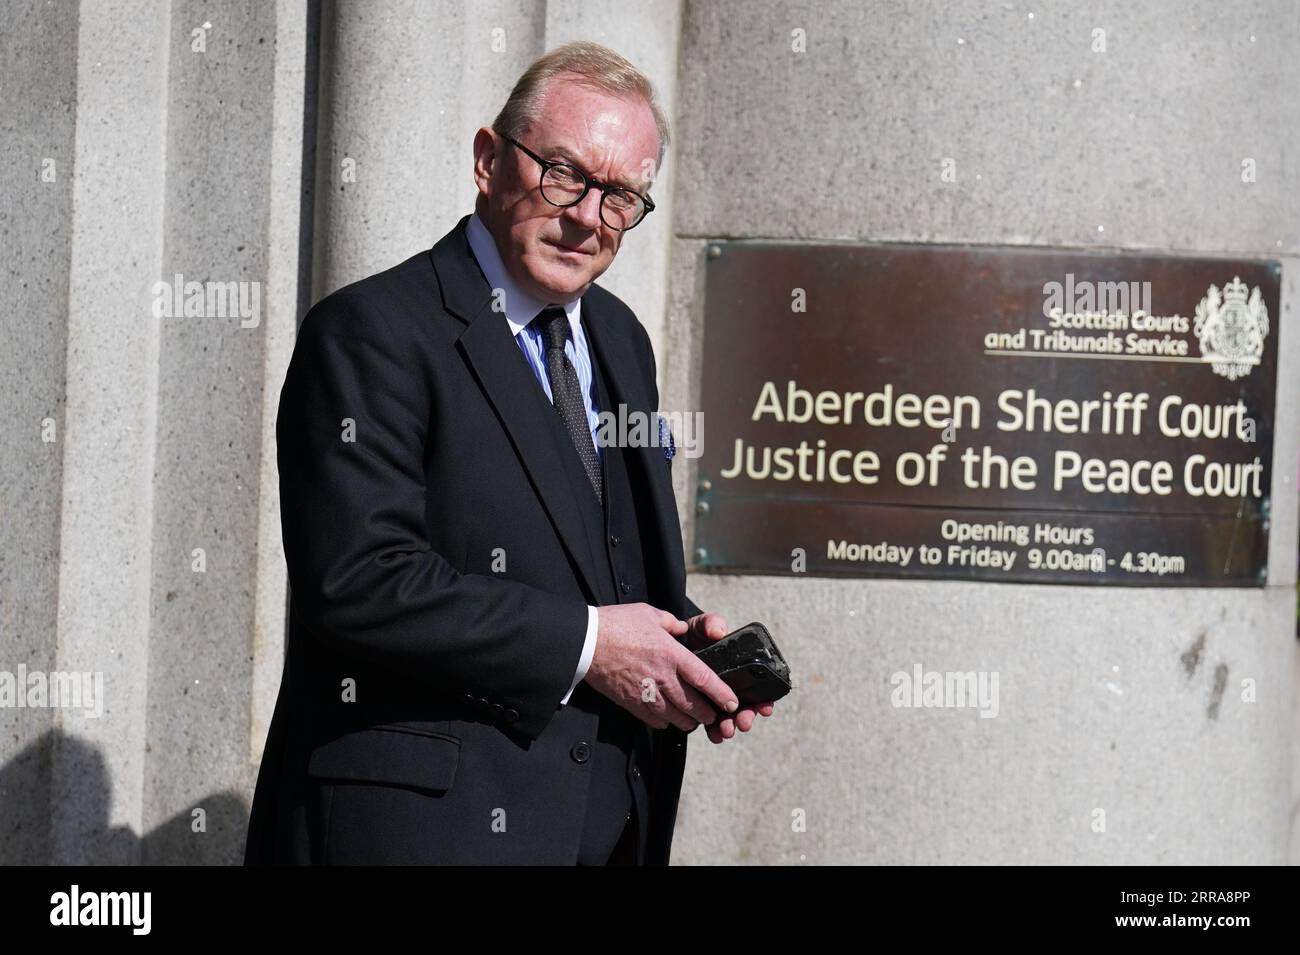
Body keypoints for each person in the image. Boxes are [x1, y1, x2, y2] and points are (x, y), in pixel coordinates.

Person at [244, 41, 776, 866]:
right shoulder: (370, 332)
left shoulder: (621, 338)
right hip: (420, 837)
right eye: (565, 173)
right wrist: (594, 644)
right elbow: (358, 580)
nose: (589, 218)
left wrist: (679, 656)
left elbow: (596, 563)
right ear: (490, 159)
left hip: (607, 826)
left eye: (623, 197)